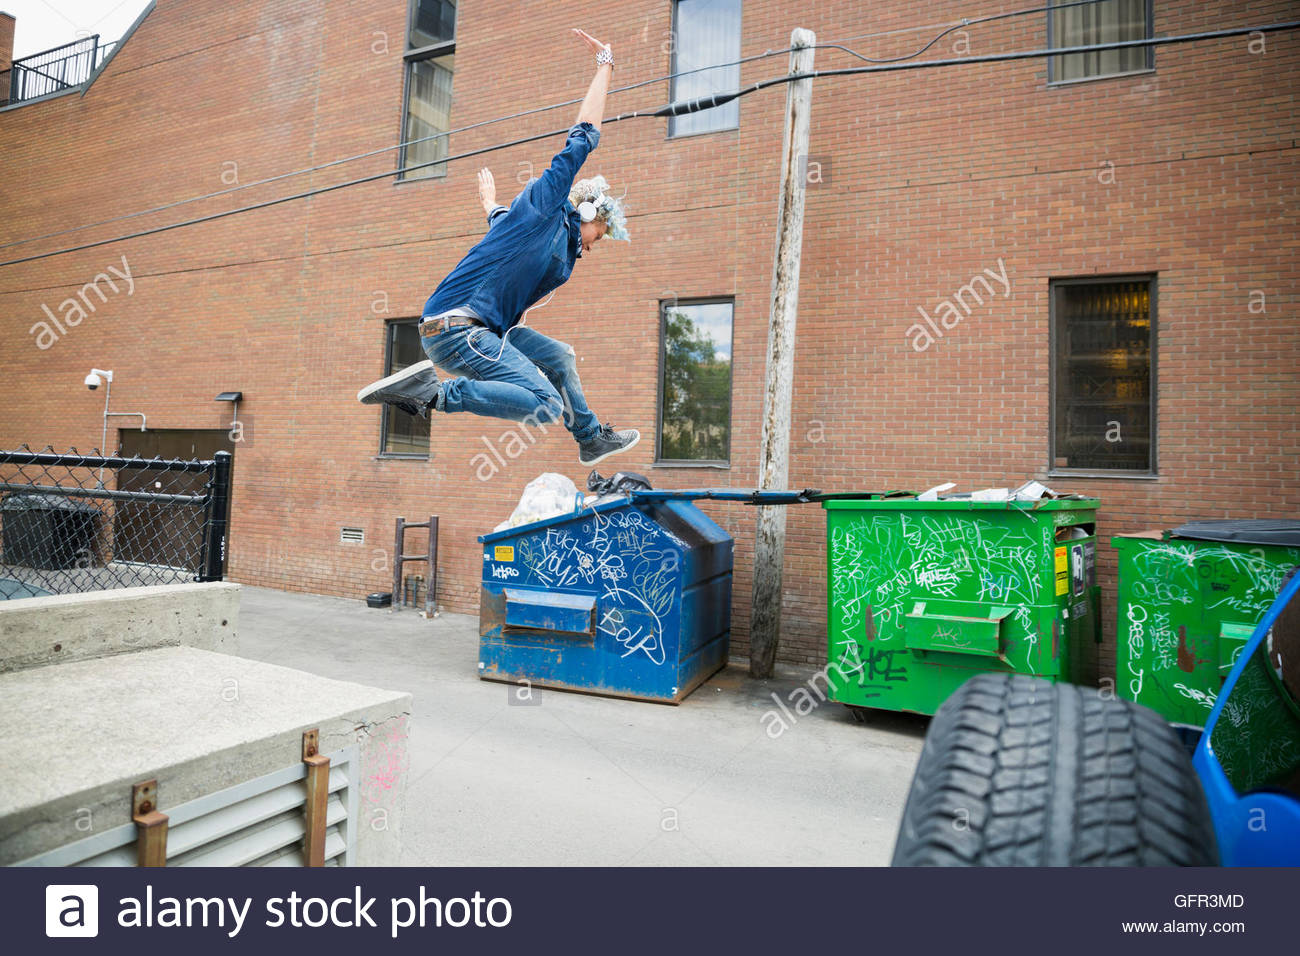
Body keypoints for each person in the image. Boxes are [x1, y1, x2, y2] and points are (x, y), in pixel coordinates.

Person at [358, 28, 640, 467]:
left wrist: (491, 206)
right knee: (545, 404)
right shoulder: (548, 205)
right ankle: (434, 394)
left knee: (560, 358)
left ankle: (588, 438)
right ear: (586, 214)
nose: (593, 247)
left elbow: (504, 228)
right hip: (454, 330)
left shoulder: (550, 241)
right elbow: (582, 137)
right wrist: (606, 65)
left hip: (489, 330)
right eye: (598, 235)